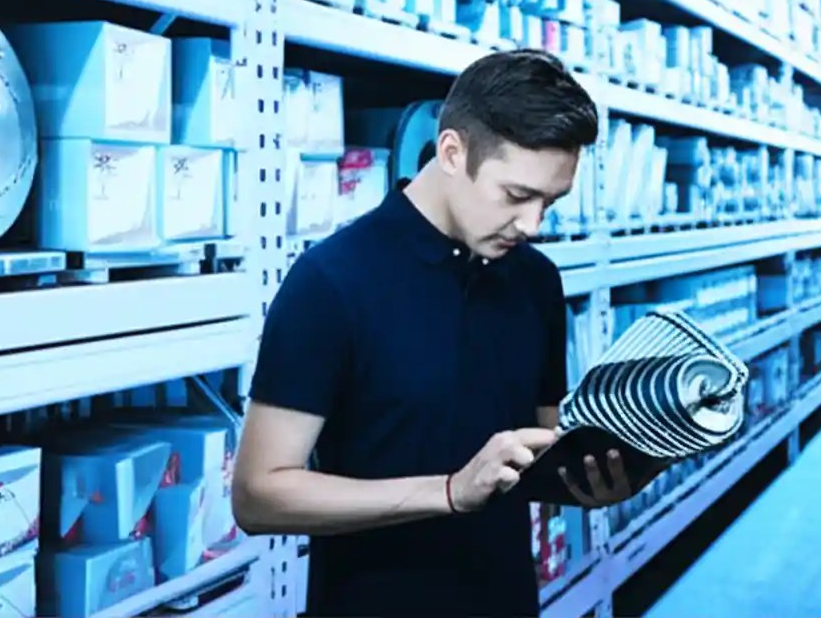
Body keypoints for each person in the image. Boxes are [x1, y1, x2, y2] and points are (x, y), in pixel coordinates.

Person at [232, 49, 635, 618]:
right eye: (517, 195)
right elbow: (258, 494)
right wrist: (449, 491)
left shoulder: (536, 282)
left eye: (550, 202)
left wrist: (594, 475)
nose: (532, 224)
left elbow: (540, 447)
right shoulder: (332, 282)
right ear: (452, 152)